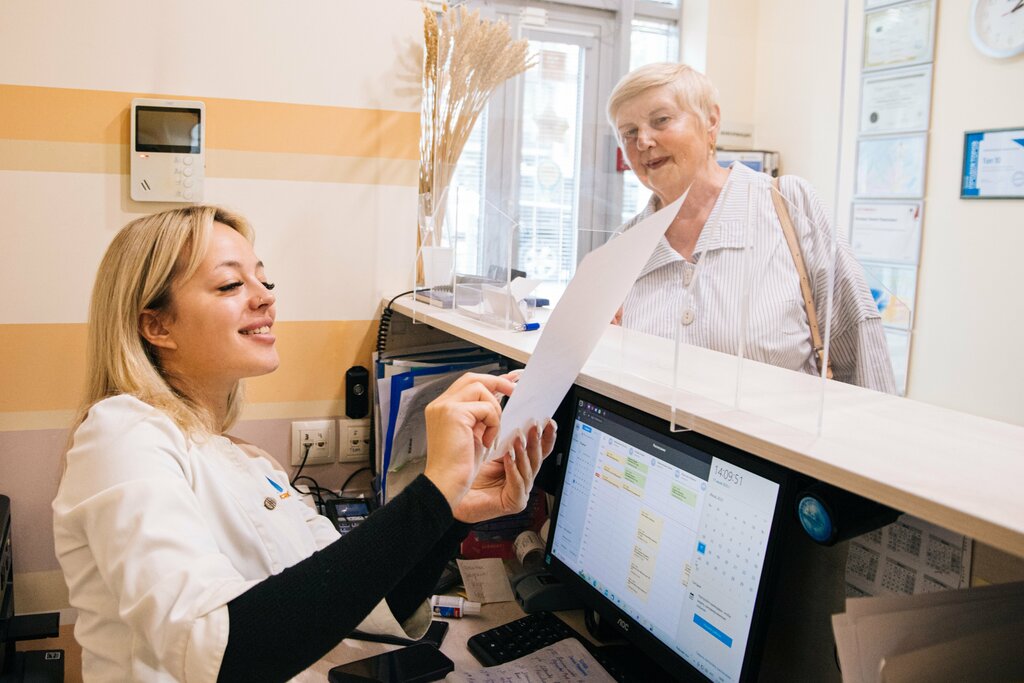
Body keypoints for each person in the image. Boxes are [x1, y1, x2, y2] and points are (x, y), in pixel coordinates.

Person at [51, 206, 556, 682]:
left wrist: (452, 511)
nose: (265, 297)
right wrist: (433, 490)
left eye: (264, 280)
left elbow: (367, 606)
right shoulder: (120, 433)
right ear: (157, 325)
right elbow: (223, 653)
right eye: (230, 284)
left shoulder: (252, 463)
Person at [609, 62, 895, 393]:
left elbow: (860, 350)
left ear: (711, 120)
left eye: (661, 120)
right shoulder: (623, 247)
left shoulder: (790, 204)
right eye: (629, 132)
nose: (643, 141)